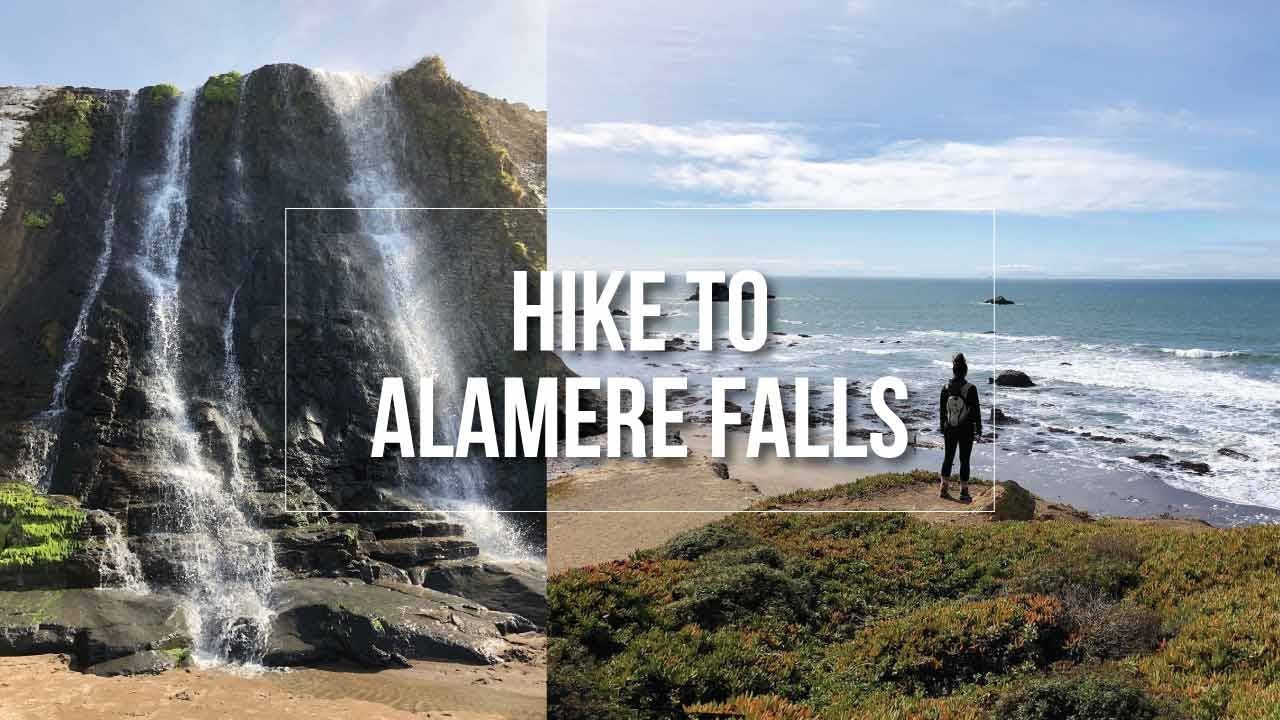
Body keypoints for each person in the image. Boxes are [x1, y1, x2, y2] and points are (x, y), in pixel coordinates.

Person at [939, 352, 981, 502]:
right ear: (965, 370)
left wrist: (942, 426)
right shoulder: (971, 388)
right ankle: (964, 491)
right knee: (965, 459)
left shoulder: (945, 387)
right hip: (966, 429)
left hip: (949, 427)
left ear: (954, 370)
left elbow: (942, 410)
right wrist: (979, 429)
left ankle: (944, 488)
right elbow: (976, 411)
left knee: (948, 458)